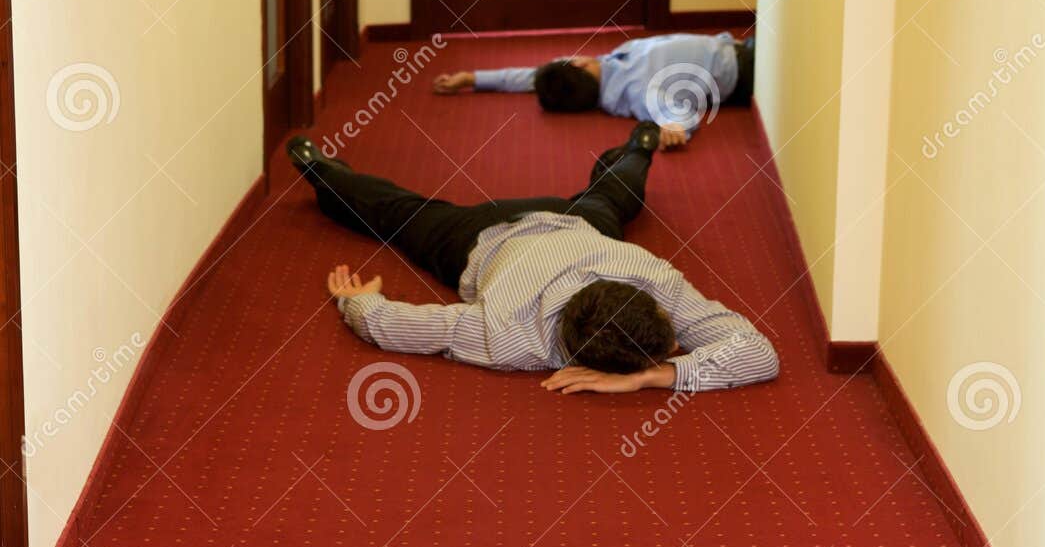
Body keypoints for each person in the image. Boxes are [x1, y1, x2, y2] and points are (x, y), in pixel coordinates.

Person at [287, 126, 779, 396]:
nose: (679, 339)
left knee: (616, 192)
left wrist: (652, 373)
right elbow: (403, 326)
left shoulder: (651, 282)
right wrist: (361, 305)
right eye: (672, 342)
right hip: (486, 234)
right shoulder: (510, 337)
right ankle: (319, 170)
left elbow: (762, 354)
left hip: (567, 227)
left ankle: (637, 147)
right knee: (398, 214)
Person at [433, 30, 755, 148]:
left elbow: (528, 77)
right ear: (580, 65)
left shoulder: (607, 70)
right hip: (749, 69)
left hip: (739, 45)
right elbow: (675, 114)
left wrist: (473, 78)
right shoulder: (638, 91)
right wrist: (674, 128)